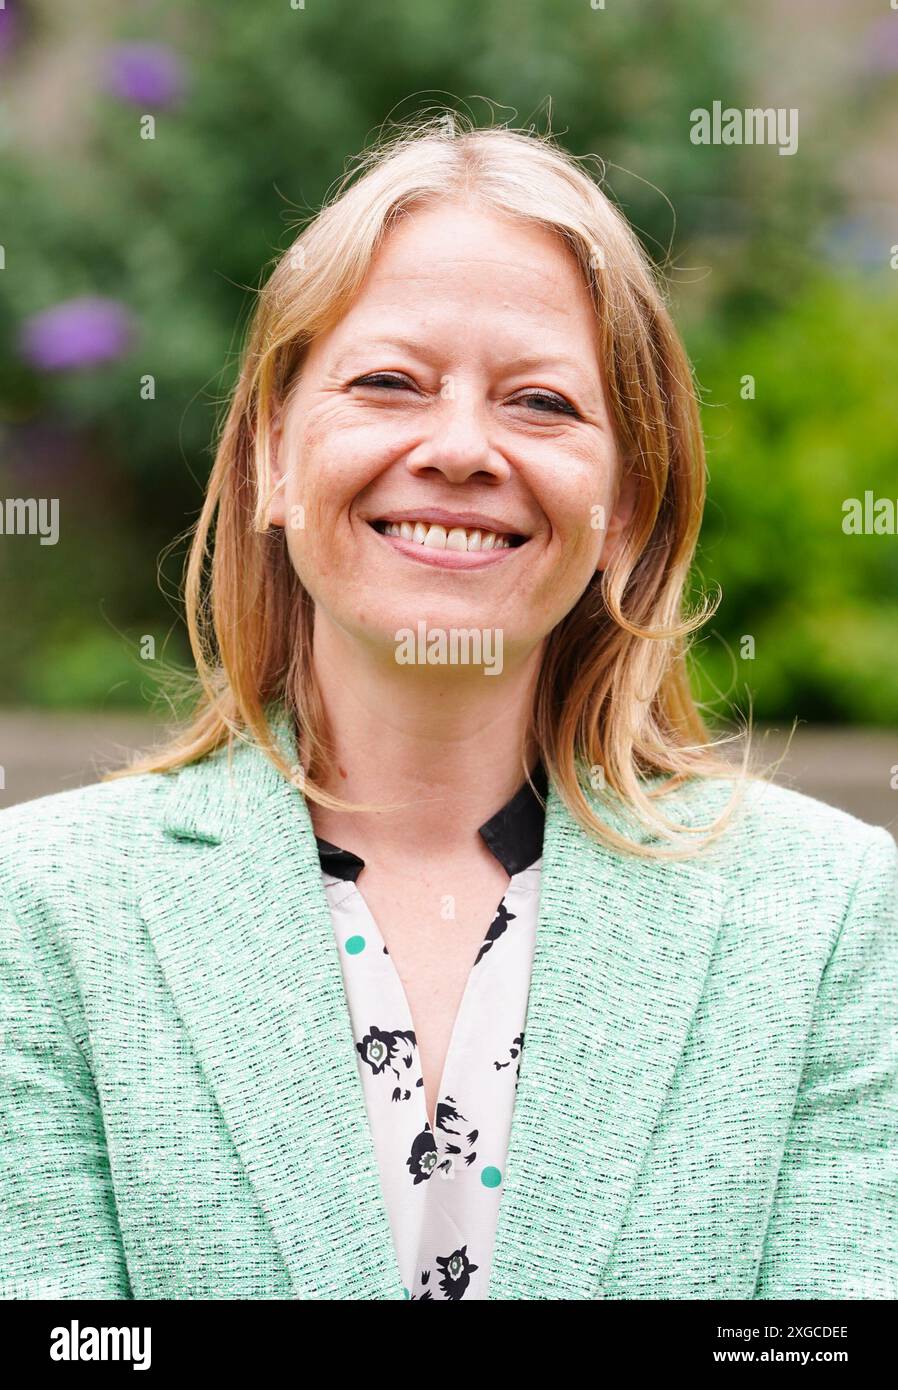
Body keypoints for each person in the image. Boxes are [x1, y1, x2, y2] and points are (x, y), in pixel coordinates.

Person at [1, 114, 895, 1302]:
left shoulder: (835, 922)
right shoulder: (42, 914)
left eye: (539, 402)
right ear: (273, 451)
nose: (462, 447)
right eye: (389, 383)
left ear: (625, 502)